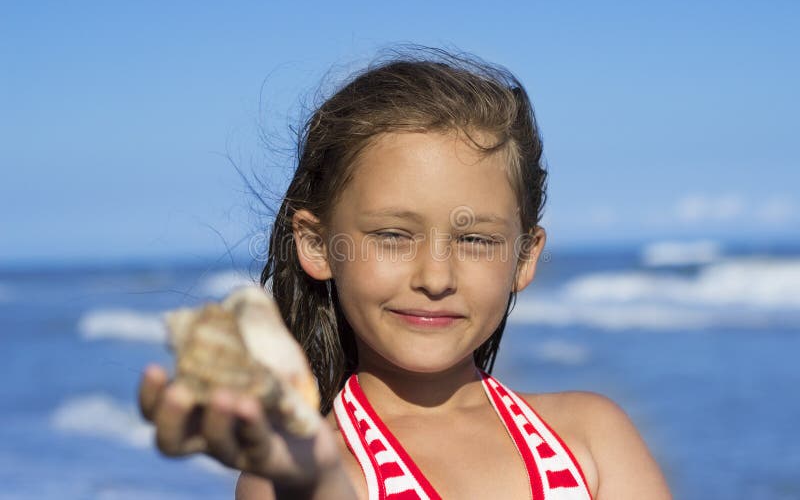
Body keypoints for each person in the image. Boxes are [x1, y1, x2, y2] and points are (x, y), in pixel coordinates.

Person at [138, 47, 672, 499]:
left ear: (524, 257)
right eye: (393, 236)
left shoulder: (590, 438)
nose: (435, 278)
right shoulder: (301, 475)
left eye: (475, 240)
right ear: (318, 245)